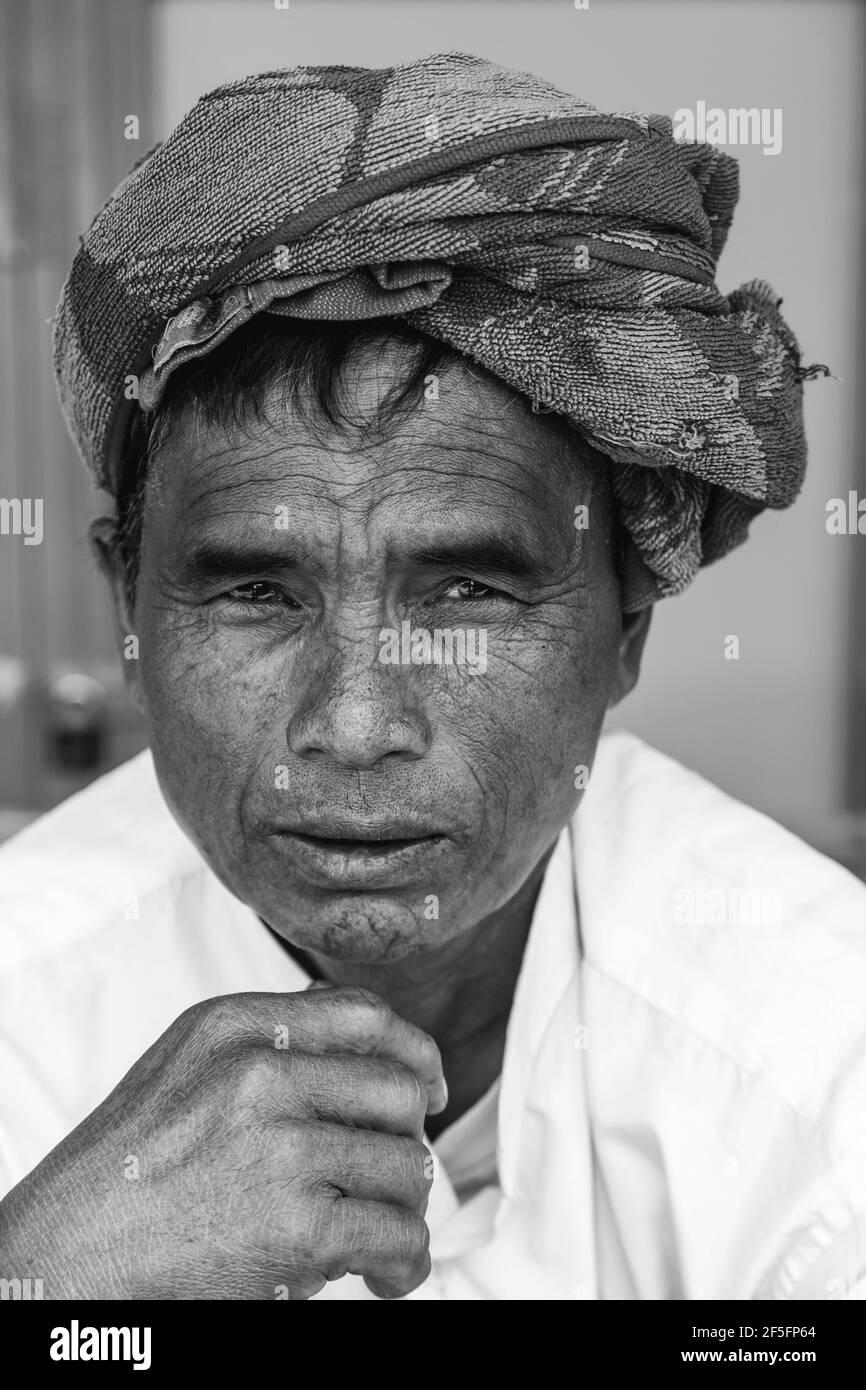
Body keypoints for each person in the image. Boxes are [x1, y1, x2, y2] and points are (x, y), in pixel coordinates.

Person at [1, 52, 864, 1302]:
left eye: (466, 592)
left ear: (626, 628)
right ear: (128, 617)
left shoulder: (817, 1062)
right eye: (256, 591)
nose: (351, 723)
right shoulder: (19, 997)